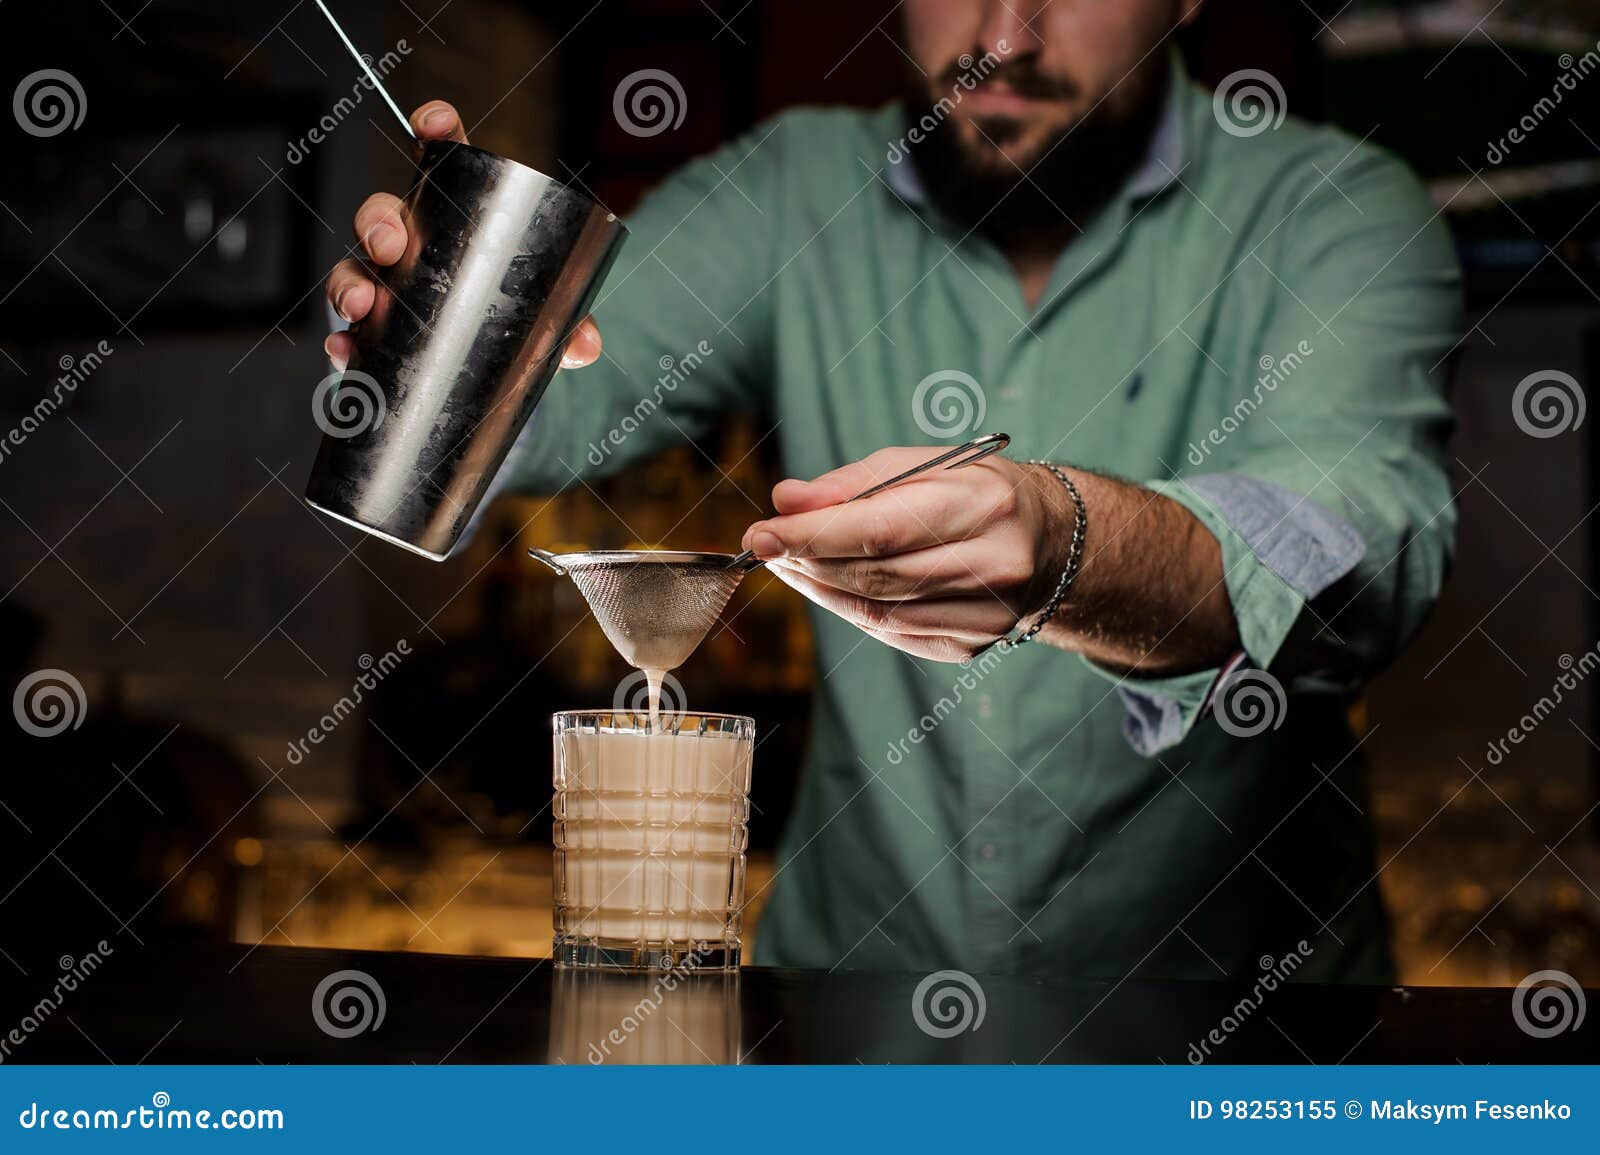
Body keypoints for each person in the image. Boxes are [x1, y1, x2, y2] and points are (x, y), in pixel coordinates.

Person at [323, 0, 1459, 981]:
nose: (1002, 38)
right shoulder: (793, 189)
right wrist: (440, 334)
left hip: (1231, 1047)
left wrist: (1071, 548)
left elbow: (1362, 546)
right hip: (844, 1032)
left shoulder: (1331, 208)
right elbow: (568, 398)